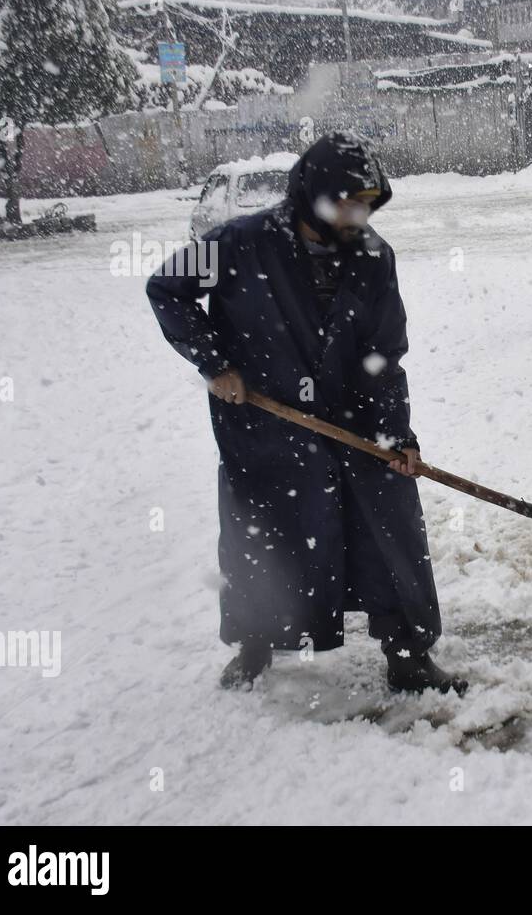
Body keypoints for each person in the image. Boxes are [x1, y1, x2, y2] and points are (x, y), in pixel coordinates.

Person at [146, 131, 468, 696]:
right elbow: (167, 289)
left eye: (367, 202)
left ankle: (408, 654)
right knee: (263, 538)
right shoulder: (237, 242)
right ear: (315, 194)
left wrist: (397, 436)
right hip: (266, 424)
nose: (358, 213)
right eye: (348, 201)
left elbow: (386, 354)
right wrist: (216, 363)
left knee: (388, 529)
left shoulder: (373, 256)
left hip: (353, 420)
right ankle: (255, 642)